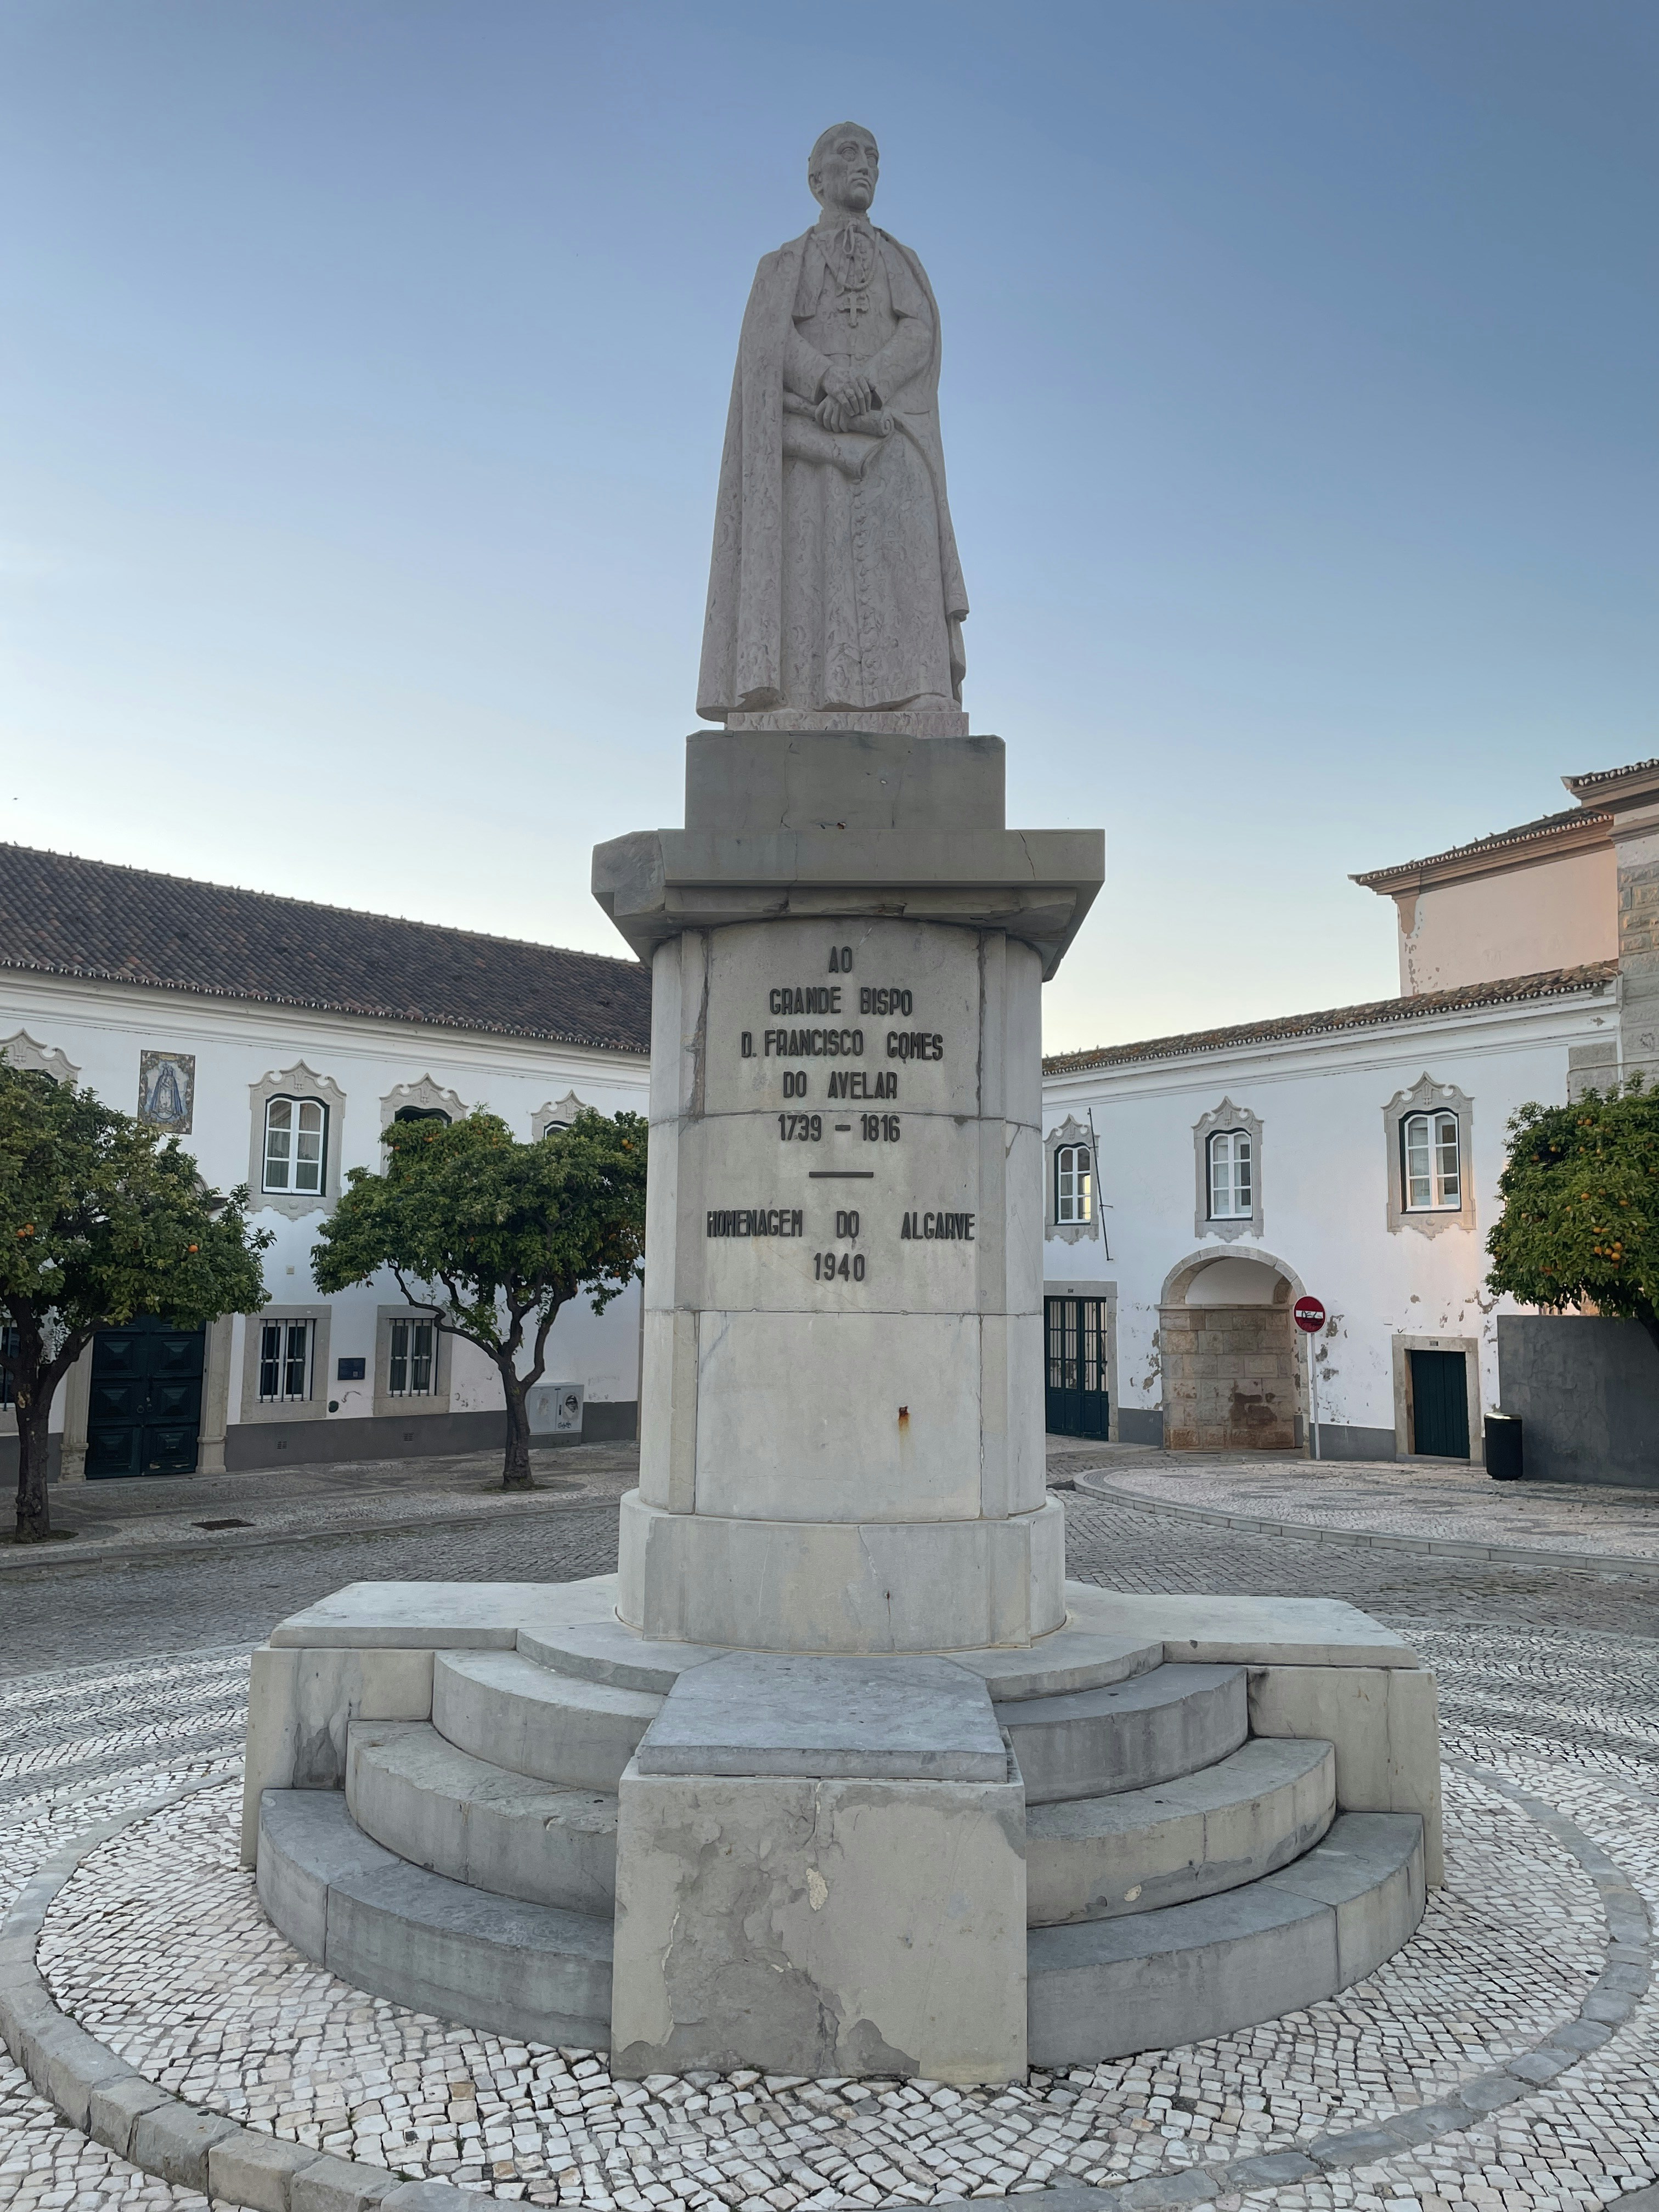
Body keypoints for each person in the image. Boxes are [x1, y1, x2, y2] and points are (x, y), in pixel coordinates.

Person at [697, 123, 969, 729]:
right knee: (805, 543)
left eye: (874, 156)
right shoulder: (781, 265)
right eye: (850, 153)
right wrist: (826, 377)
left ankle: (921, 686)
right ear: (817, 178)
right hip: (809, 436)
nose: (866, 164)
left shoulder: (902, 260)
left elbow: (919, 332)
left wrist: (866, 380)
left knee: (906, 537)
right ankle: (797, 690)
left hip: (887, 429)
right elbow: (768, 342)